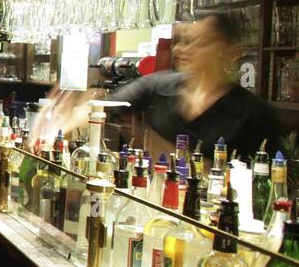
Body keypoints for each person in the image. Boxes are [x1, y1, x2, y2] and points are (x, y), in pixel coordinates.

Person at [109, 12, 282, 160]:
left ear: (228, 50)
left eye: (197, 42)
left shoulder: (254, 114)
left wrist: (158, 147)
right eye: (180, 42)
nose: (180, 49)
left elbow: (265, 180)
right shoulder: (158, 85)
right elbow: (106, 106)